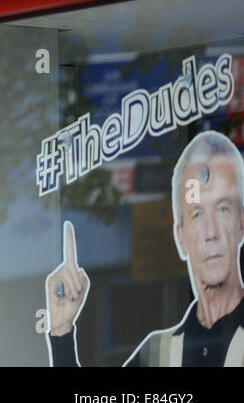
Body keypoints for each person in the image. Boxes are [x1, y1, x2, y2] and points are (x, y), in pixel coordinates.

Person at [45, 129, 244, 366]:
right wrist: (61, 332)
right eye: (197, 215)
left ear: (241, 223)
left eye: (223, 209)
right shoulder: (157, 353)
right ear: (180, 238)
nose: (211, 233)